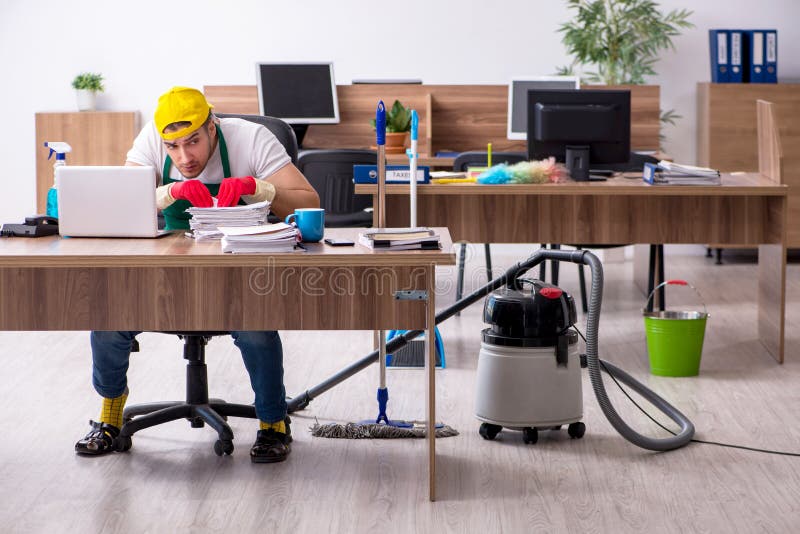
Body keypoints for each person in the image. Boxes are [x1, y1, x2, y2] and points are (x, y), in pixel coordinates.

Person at [75, 86, 319, 463]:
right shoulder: (150, 142)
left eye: (193, 142)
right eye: (172, 147)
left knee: (256, 328)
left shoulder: (251, 138)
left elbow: (309, 201)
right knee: (108, 316)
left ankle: (273, 424)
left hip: (237, 275)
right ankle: (109, 415)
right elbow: (118, 204)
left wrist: (259, 187)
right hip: (166, 276)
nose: (184, 156)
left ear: (212, 126)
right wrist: (169, 192)